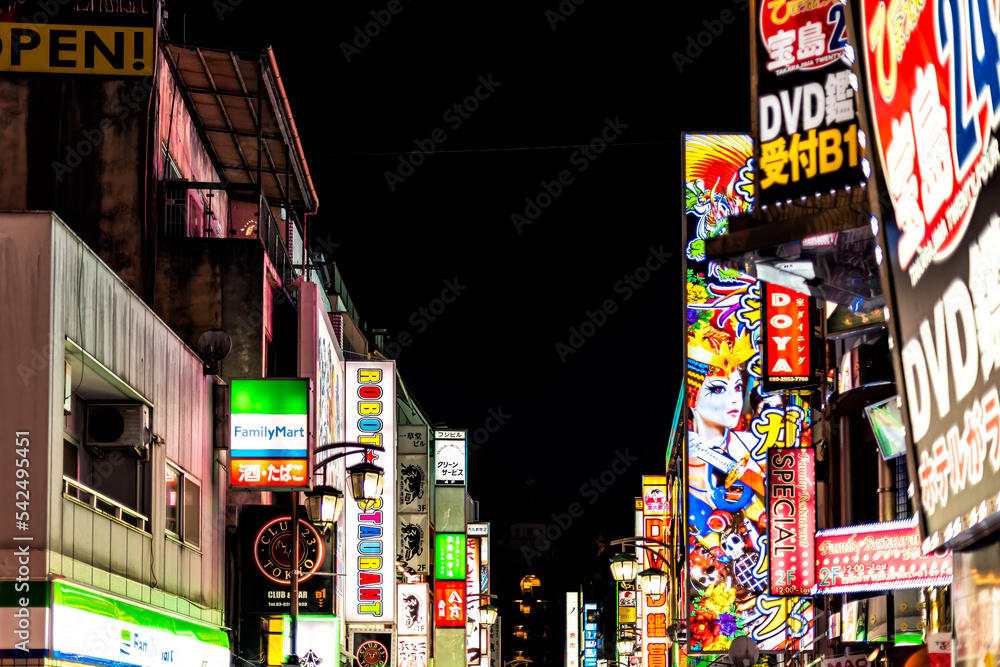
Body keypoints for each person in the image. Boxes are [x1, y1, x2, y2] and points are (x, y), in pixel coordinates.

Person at [686, 325, 766, 540]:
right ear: (693, 397)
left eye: (737, 387)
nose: (734, 399)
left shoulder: (754, 443)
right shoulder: (684, 457)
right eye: (719, 389)